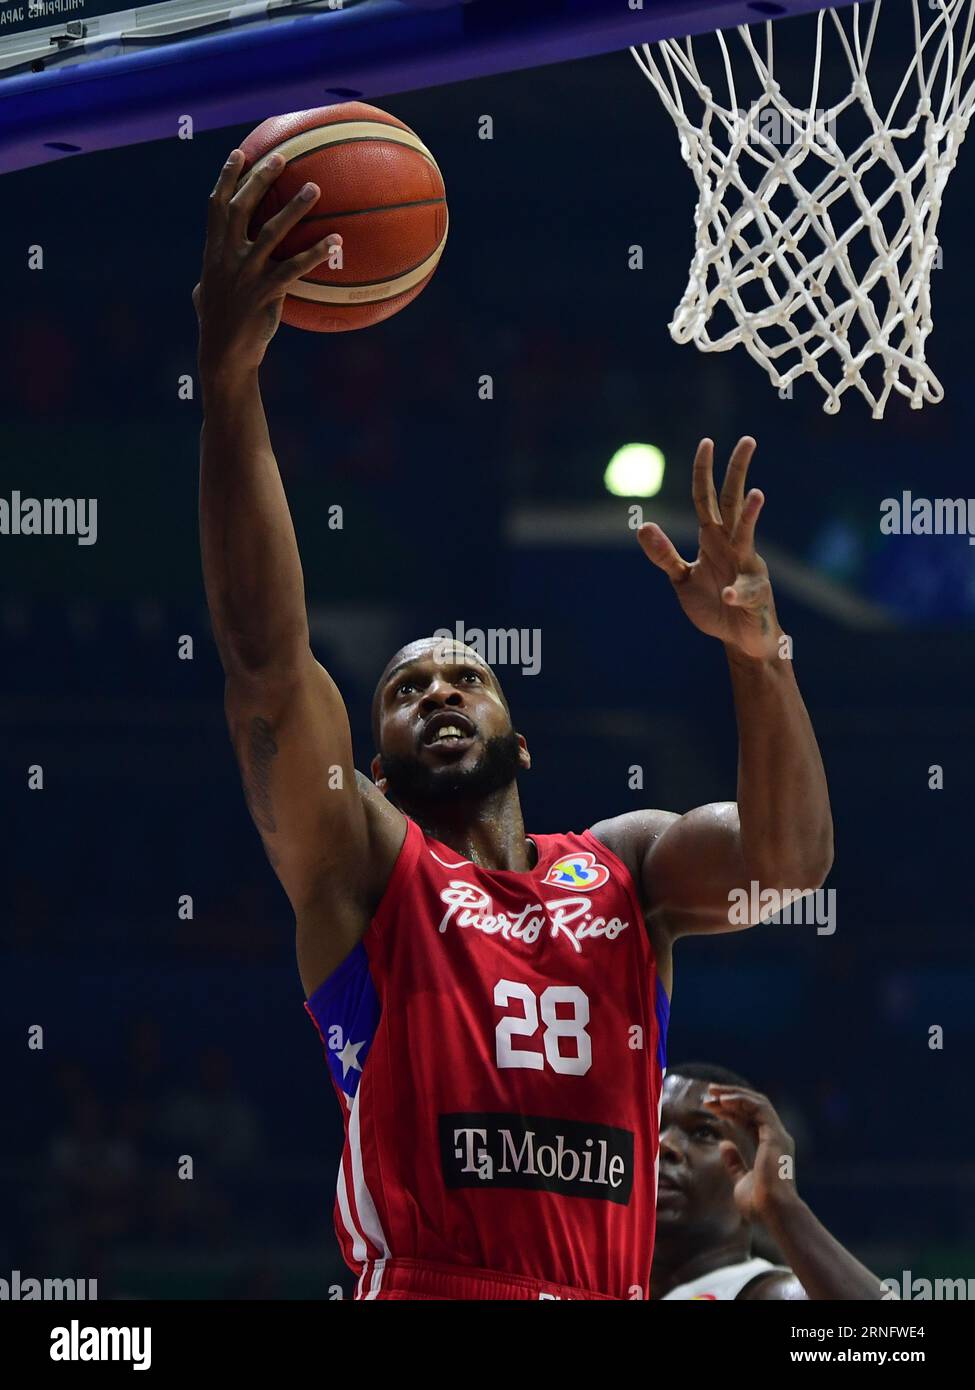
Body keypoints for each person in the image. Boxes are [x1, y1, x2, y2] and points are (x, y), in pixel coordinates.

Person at [193, 149, 834, 1300]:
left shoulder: (625, 869)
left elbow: (789, 862)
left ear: (521, 740)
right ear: (375, 765)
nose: (439, 691)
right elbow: (264, 667)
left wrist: (759, 656)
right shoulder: (363, 872)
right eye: (405, 689)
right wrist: (231, 381)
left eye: (465, 678)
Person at [652, 1064, 884, 1300]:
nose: (663, 1144)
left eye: (703, 1132)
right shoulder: (618, 1286)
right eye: (652, 1128)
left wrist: (782, 1207)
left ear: (754, 1169)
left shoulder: (773, 1293)